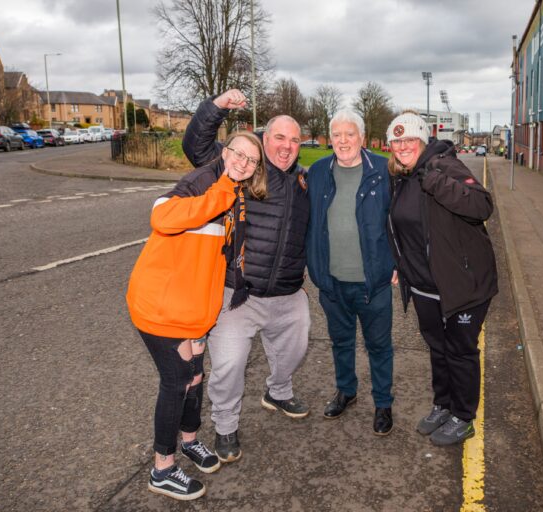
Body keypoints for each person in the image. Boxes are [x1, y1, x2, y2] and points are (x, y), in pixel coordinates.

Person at [126, 131, 267, 500]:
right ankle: (162, 469)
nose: (244, 163)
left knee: (196, 375)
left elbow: (220, 256)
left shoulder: (235, 190)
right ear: (226, 151)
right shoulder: (204, 181)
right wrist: (219, 192)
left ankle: (189, 441)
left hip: (192, 310)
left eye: (252, 160)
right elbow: (162, 217)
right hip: (160, 306)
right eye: (239, 154)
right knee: (177, 381)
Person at [182, 89, 311, 464]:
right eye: (279, 138)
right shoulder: (244, 170)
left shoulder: (305, 182)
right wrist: (216, 107)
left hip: (288, 294)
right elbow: (199, 148)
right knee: (228, 366)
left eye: (294, 140)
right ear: (264, 139)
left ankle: (278, 391)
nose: (286, 147)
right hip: (238, 294)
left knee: (296, 349)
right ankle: (225, 427)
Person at [385, 111, 498, 446]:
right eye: (397, 141)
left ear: (423, 141)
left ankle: (463, 417)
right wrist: (400, 263)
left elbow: (481, 205)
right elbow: (403, 228)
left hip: (462, 283)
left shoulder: (443, 167)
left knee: (460, 351)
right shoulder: (401, 177)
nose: (402, 146)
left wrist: (438, 185)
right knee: (438, 348)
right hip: (424, 284)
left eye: (409, 140)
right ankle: (443, 404)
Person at [306, 109, 396, 435]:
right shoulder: (316, 172)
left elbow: (400, 220)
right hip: (332, 282)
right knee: (340, 341)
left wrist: (399, 263)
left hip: (373, 282)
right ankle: (346, 390)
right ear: (330, 139)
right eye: (337, 135)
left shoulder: (384, 171)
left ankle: (383, 403)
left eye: (350, 134)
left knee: (379, 346)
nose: (343, 141)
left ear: (362, 137)